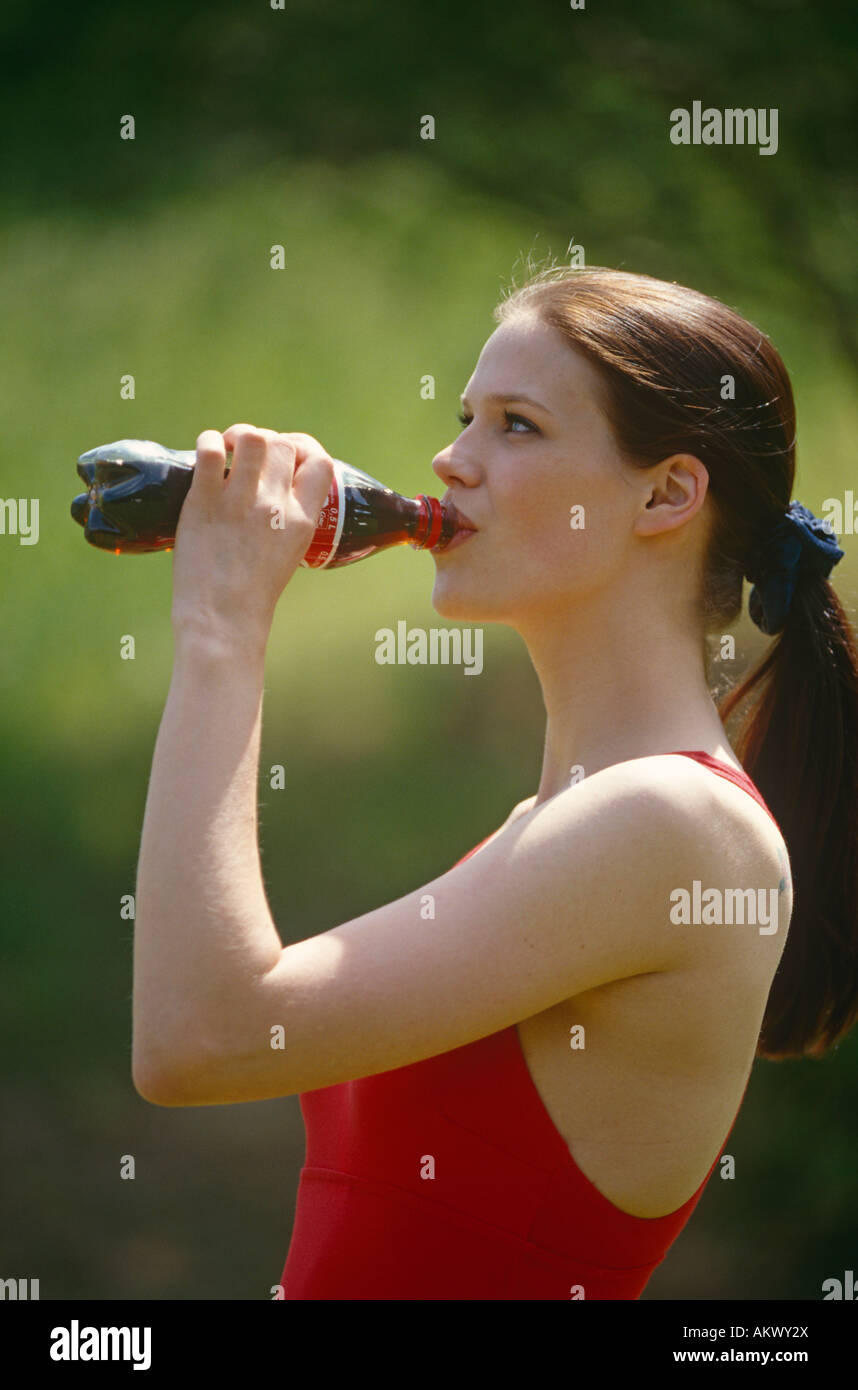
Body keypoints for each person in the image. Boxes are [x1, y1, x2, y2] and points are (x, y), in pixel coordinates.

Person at [131, 263, 857, 1300]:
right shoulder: (566, 823)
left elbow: (198, 1035)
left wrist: (221, 627)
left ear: (666, 494)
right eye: (466, 416)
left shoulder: (675, 825)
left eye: (515, 425)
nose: (449, 459)